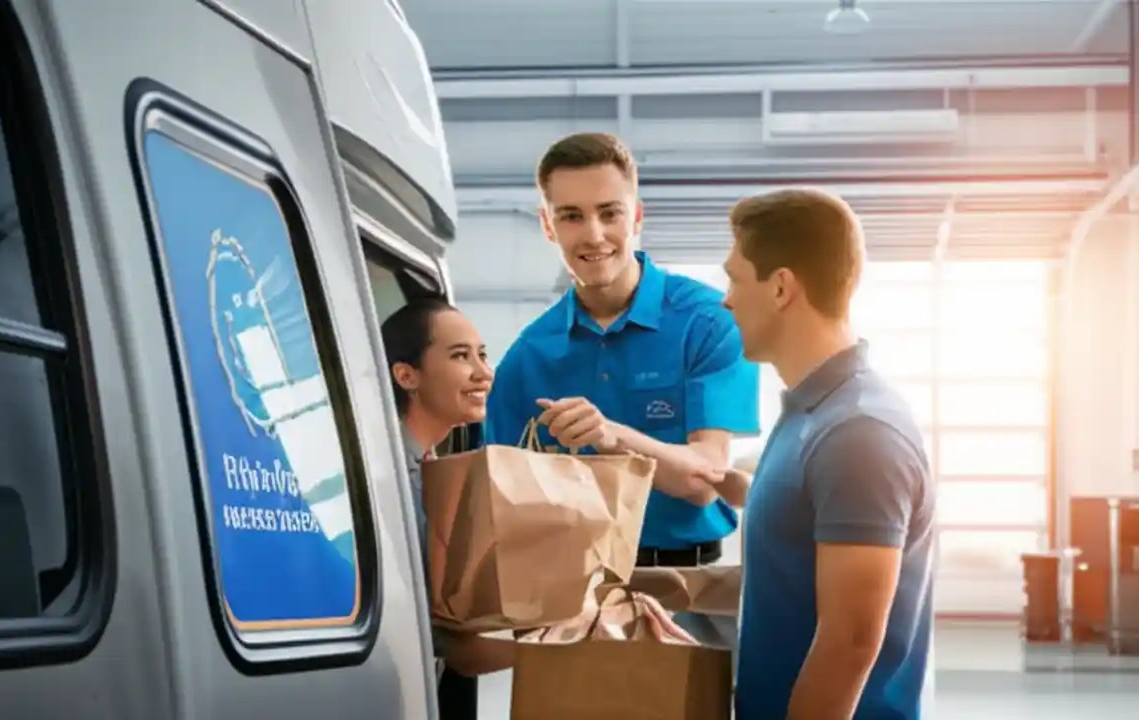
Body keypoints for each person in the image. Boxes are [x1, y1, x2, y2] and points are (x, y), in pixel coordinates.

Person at [483, 132, 760, 590]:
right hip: (570, 592)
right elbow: (502, 498)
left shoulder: (710, 322)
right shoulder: (527, 356)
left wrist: (611, 436)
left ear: (636, 217)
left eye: (609, 213)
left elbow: (704, 480)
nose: (594, 235)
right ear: (549, 227)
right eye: (571, 217)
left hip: (688, 585)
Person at [722, 188, 935, 720]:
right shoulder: (810, 415)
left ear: (780, 287)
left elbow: (851, 641)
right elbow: (799, 549)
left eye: (734, 278)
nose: (725, 299)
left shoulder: (858, 433)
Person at [379, 297, 511, 718]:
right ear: (406, 375)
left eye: (482, 355)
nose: (483, 372)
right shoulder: (391, 475)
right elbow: (446, 641)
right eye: (460, 356)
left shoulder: (432, 467)